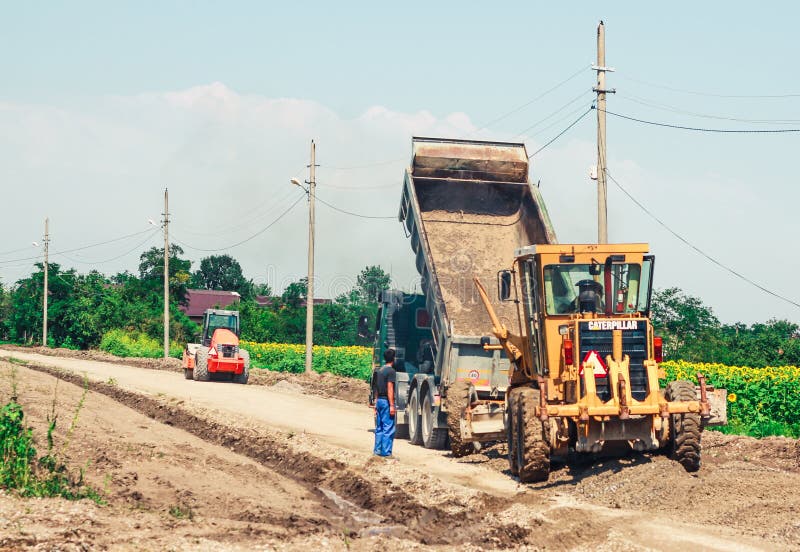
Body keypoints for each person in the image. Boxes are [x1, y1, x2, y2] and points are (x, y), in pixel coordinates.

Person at [372, 348, 397, 458]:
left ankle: (377, 451)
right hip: (386, 401)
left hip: (379, 401)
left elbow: (376, 388)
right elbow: (390, 388)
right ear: (393, 359)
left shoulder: (379, 371)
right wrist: (392, 405)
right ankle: (386, 453)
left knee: (379, 427)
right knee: (388, 427)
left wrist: (375, 403)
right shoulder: (391, 371)